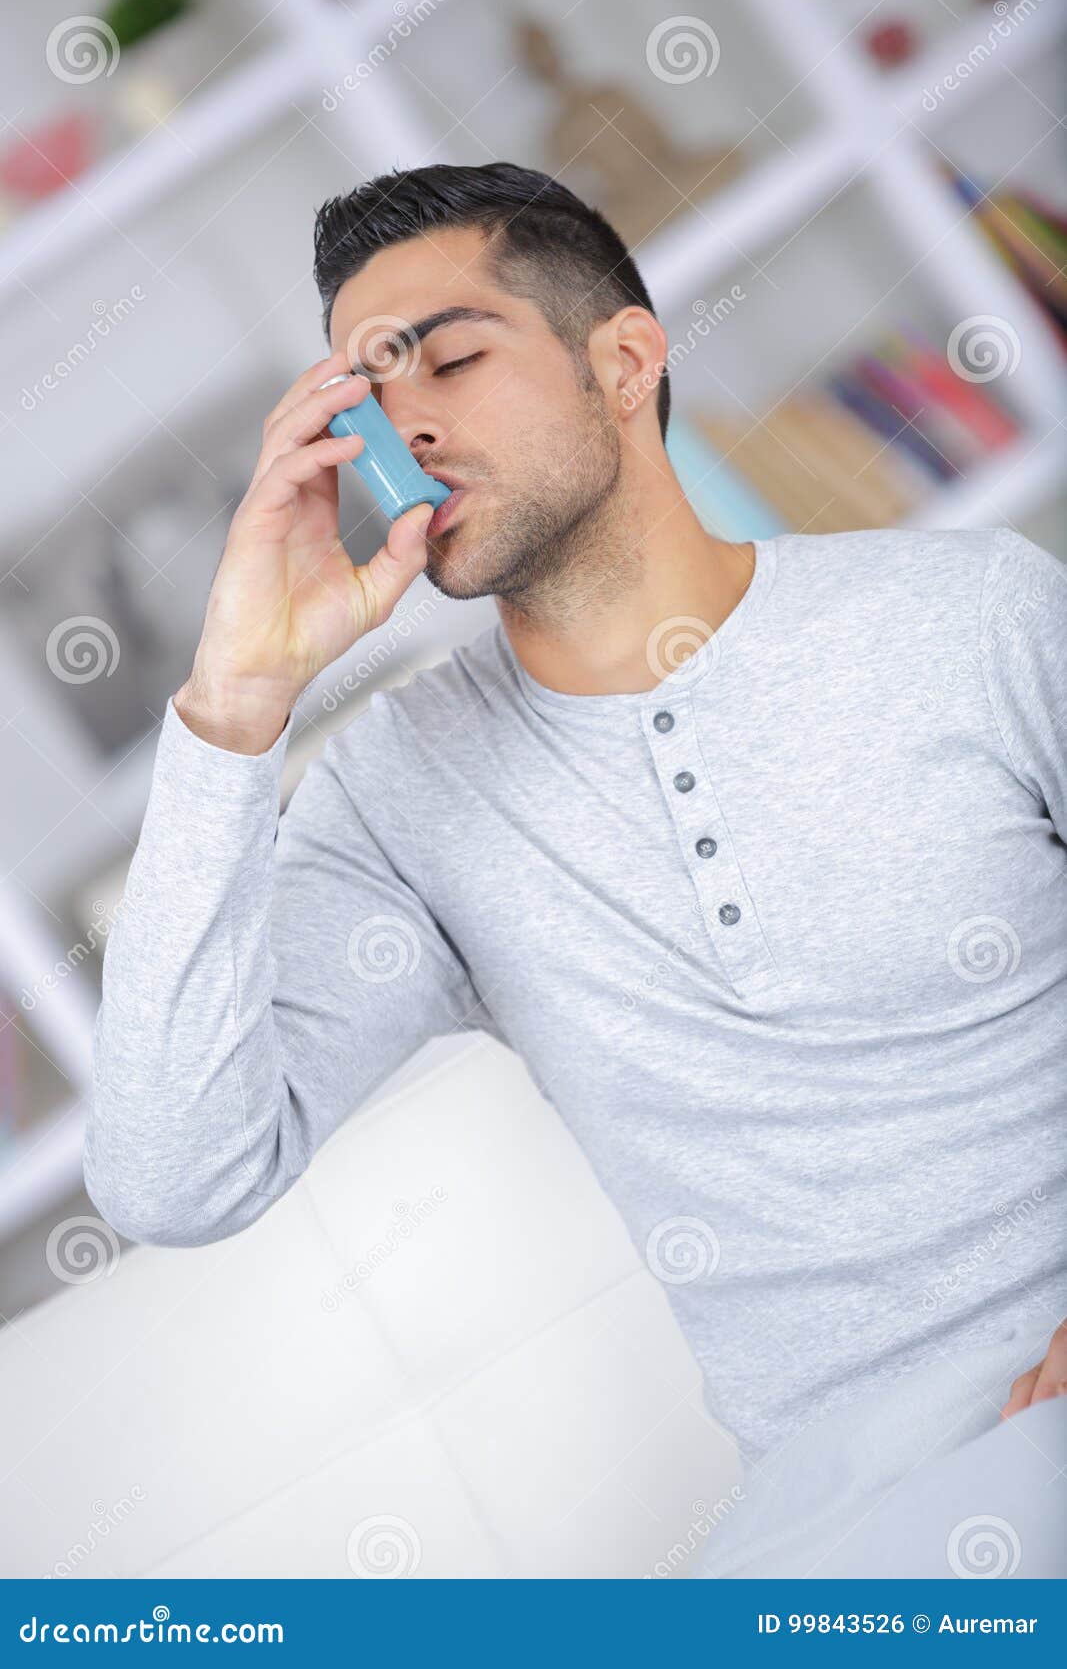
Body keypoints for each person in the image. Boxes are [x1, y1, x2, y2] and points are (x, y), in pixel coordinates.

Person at [85, 162, 1067, 1575]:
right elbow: (175, 1178)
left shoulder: (970, 615)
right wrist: (235, 702)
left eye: (451, 359)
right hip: (844, 1536)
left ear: (622, 359)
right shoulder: (397, 793)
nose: (401, 421)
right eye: (365, 391)